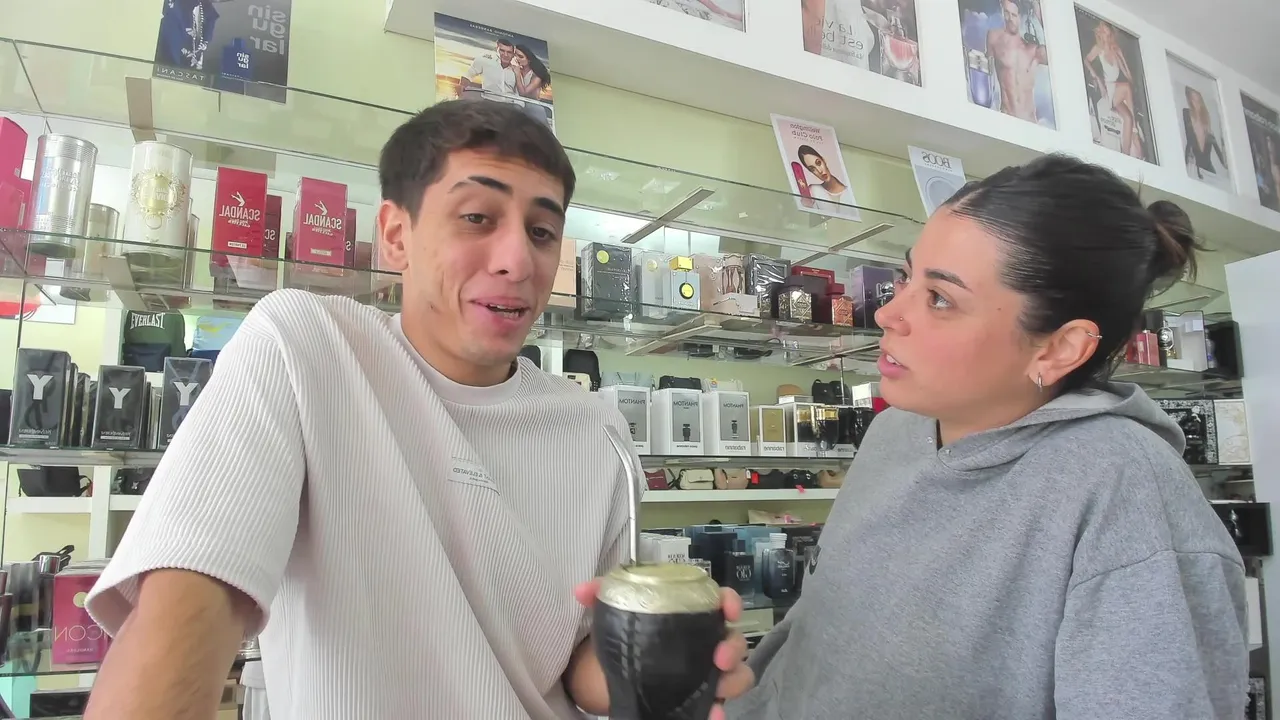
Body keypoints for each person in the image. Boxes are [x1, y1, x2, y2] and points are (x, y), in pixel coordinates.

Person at [82, 100, 751, 720]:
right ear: (396, 235)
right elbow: (191, 599)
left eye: (543, 231)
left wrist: (658, 661)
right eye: (477, 218)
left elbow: (576, 659)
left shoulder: (596, 429)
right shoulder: (307, 349)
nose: (518, 260)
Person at [726, 154, 1248, 720]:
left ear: (1059, 348)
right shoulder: (897, 428)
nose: (887, 314)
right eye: (906, 277)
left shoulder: (1126, 495)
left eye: (940, 298)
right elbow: (821, 631)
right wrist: (733, 685)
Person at [1084, 21, 1146, 160]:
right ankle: (1135, 133)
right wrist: (1096, 76)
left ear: (1110, 33)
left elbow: (1128, 76)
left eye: (1106, 30)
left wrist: (1122, 58)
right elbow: (1086, 60)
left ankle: (1126, 155)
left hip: (1118, 93)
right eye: (1102, 29)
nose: (1104, 32)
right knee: (1126, 88)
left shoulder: (1116, 49)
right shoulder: (1098, 48)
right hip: (1109, 90)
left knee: (1128, 118)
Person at [985, 0, 1048, 124]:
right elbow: (986, 72)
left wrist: (1036, 7)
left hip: (1030, 122)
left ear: (1021, 16)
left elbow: (1055, 51)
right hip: (1006, 117)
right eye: (1006, 13)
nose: (1009, 19)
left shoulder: (1034, 48)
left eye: (1014, 15)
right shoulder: (994, 37)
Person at [1182, 87, 1228, 180]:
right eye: (1193, 100)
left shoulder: (1207, 125)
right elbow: (1189, 142)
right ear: (1189, 100)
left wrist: (1224, 144)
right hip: (1194, 171)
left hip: (1209, 173)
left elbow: (1224, 162)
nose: (1196, 104)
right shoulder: (1186, 114)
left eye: (1198, 101)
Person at [797, 144, 856, 214]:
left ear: (824, 160)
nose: (819, 171)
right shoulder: (813, 190)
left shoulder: (850, 192)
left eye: (818, 163)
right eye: (813, 169)